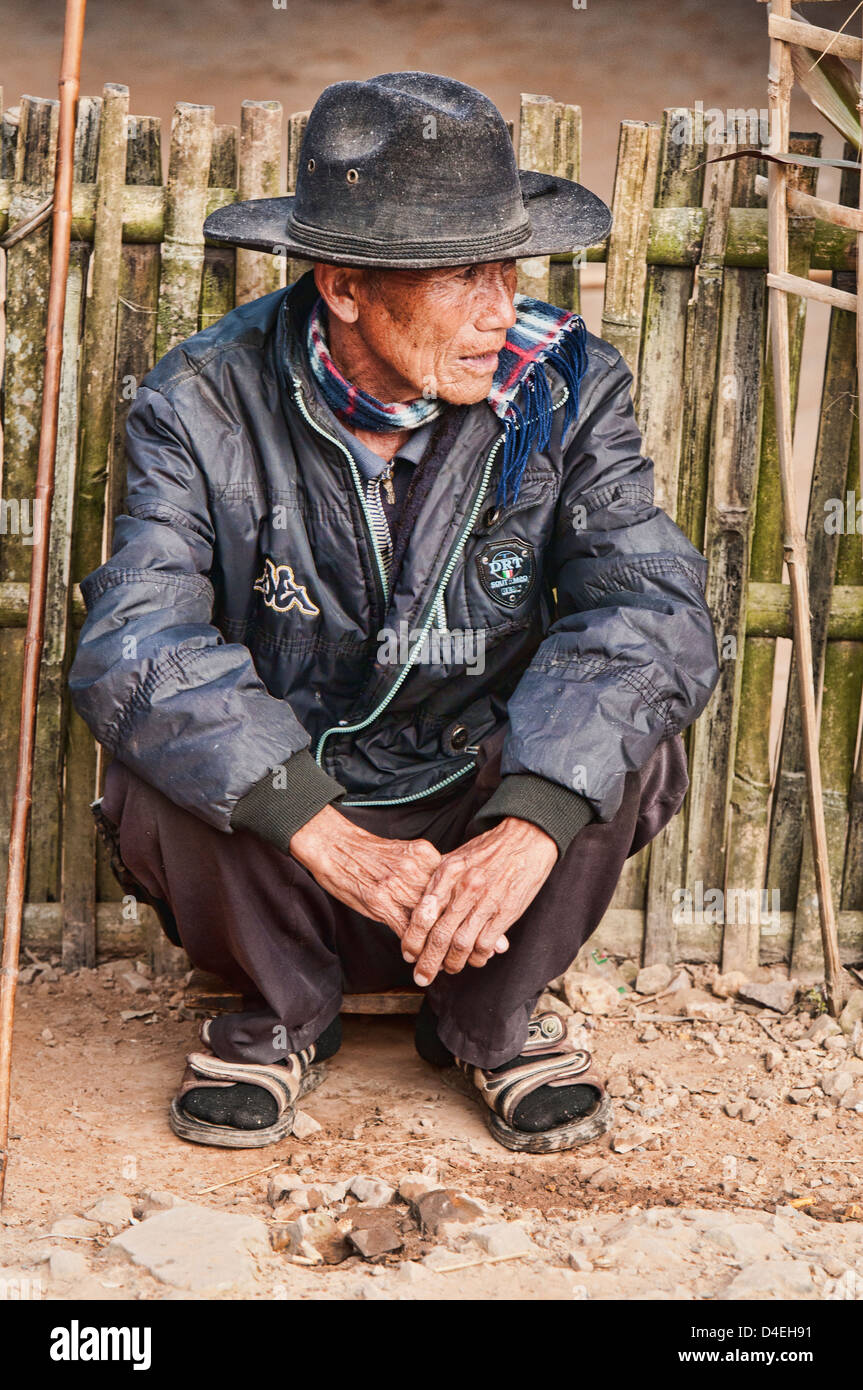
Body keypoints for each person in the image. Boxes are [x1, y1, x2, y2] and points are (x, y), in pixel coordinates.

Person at [70, 71, 719, 1154]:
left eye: (506, 268)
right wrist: (321, 830)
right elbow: (140, 638)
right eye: (462, 275)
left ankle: (486, 1019)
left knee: (626, 737)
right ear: (342, 286)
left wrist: (531, 819)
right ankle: (282, 1012)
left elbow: (645, 608)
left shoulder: (564, 388)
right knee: (156, 744)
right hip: (290, 837)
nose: (499, 308)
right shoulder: (200, 401)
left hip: (476, 827)